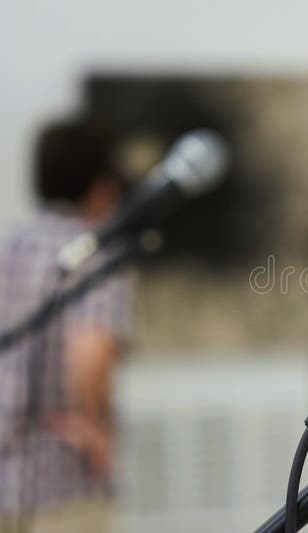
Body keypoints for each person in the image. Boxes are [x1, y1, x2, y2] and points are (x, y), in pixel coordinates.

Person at [0, 117, 134, 533]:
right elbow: (90, 350)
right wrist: (94, 429)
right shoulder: (93, 253)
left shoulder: (12, 244)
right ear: (102, 185)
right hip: (60, 473)